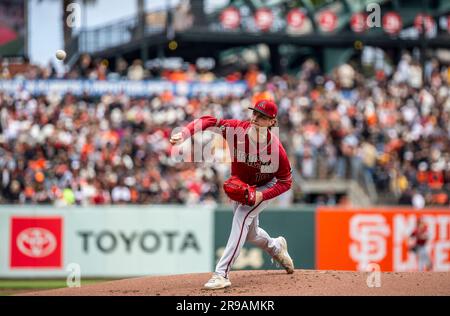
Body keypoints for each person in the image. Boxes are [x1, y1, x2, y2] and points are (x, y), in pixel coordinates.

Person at [170, 99, 294, 290]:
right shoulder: (237, 129)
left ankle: (221, 274)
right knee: (251, 233)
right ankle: (275, 246)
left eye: (262, 117)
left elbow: (286, 182)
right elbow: (209, 120)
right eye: (254, 113)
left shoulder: (276, 150)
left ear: (272, 122)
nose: (255, 118)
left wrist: (263, 195)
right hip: (241, 185)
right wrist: (186, 132)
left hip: (263, 187)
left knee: (241, 217)